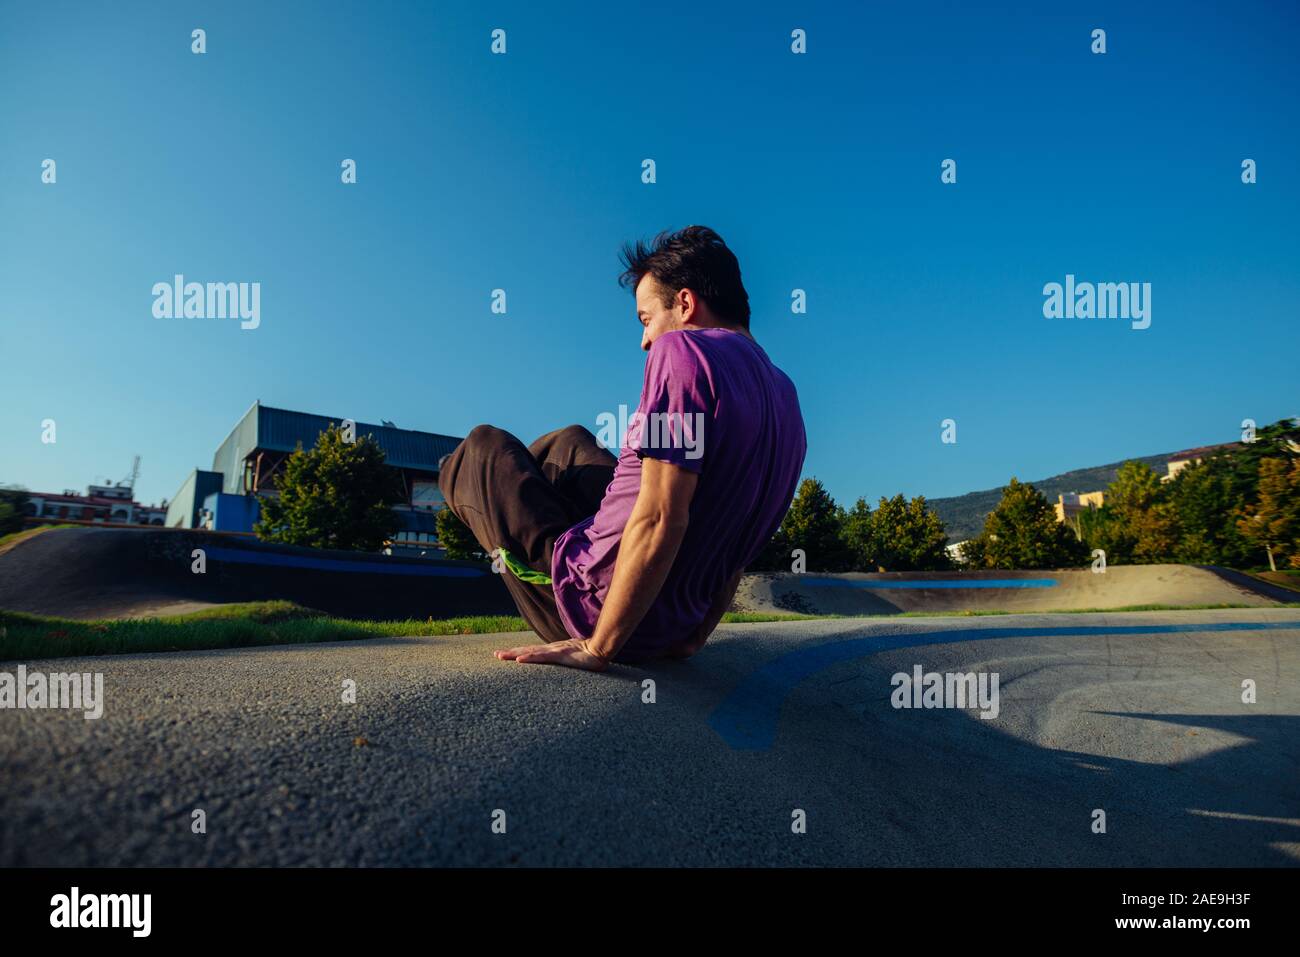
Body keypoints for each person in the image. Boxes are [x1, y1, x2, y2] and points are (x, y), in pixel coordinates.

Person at [437, 225, 806, 671]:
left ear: (685, 304)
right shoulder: (786, 395)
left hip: (591, 607)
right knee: (570, 441)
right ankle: (541, 495)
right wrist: (692, 638)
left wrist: (599, 647)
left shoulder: (683, 353)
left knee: (481, 448)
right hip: (671, 624)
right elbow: (738, 543)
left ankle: (464, 481)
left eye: (646, 320)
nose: (645, 341)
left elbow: (663, 516)